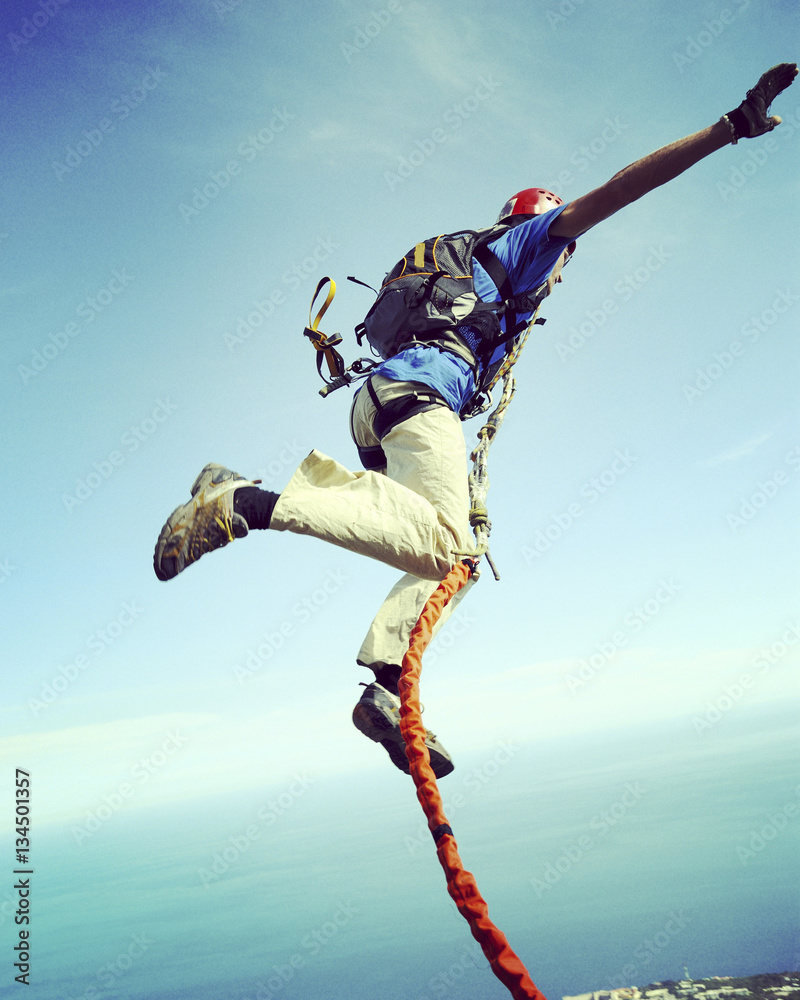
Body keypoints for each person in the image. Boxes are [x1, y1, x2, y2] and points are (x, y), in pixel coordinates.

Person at [153, 63, 797, 778]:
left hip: (383, 407)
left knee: (446, 559)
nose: (561, 268)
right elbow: (620, 190)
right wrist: (730, 129)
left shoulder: (470, 260)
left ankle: (389, 691)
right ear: (541, 226)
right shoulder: (529, 243)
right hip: (417, 402)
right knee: (448, 548)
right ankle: (243, 502)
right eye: (562, 252)